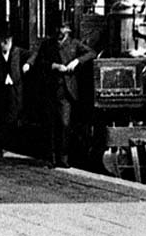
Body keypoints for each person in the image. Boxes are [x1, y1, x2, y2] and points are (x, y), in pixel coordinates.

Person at [24, 21, 96, 168]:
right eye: (58, 28)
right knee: (50, 125)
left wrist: (76, 61)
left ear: (68, 31)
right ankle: (51, 158)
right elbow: (39, 60)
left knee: (64, 125)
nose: (60, 32)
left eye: (63, 29)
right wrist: (54, 66)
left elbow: (91, 53)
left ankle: (63, 158)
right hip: (50, 89)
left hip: (67, 91)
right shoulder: (47, 44)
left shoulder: (75, 44)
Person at [0, 32, 25, 156]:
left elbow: (33, 54)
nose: (3, 44)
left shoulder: (18, 51)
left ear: (10, 40)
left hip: (14, 90)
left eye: (6, 41)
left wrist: (28, 64)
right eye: (1, 41)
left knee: (11, 118)